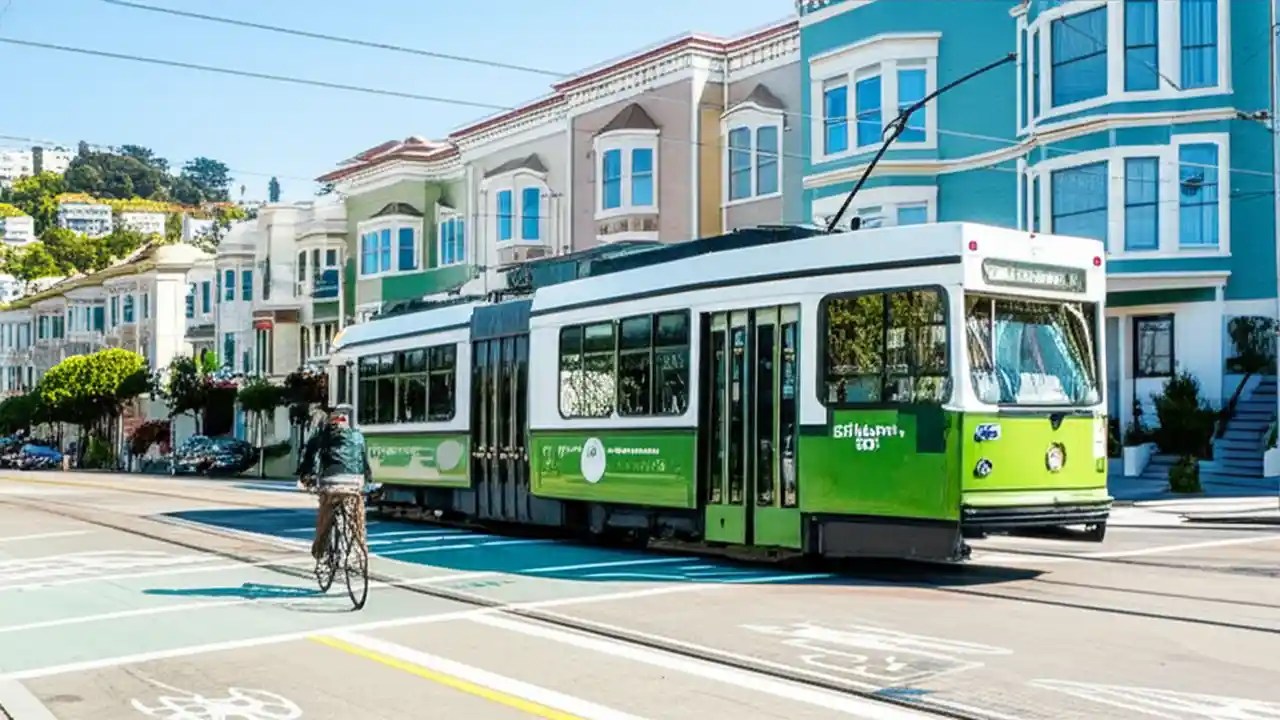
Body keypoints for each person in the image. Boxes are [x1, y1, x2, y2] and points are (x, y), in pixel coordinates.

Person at [297, 405, 372, 562]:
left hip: (331, 481)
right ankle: (358, 549)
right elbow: (365, 463)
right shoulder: (358, 436)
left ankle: (320, 549)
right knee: (355, 515)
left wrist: (305, 477)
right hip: (355, 481)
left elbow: (310, 460)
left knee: (325, 516)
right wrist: (368, 482)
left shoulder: (321, 436)